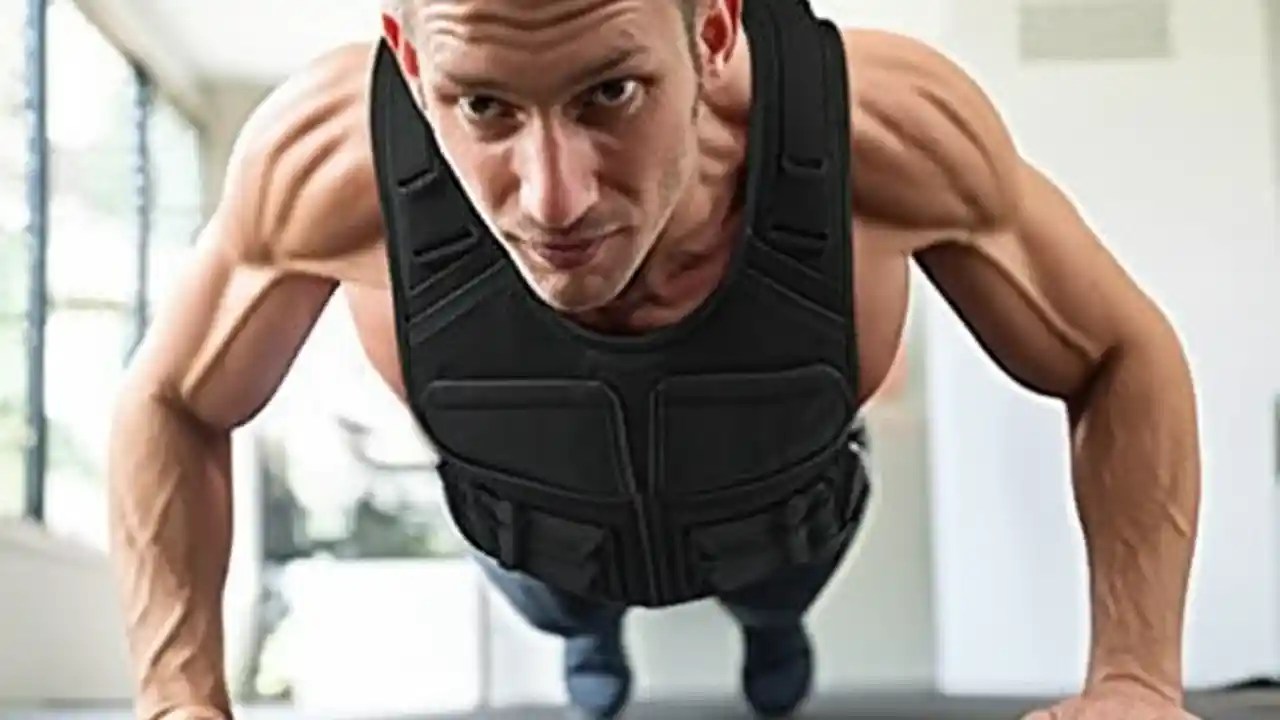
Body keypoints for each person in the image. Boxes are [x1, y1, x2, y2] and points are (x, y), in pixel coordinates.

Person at [105, 1, 1203, 719]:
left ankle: (771, 632)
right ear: (406, 53)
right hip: (533, 532)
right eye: (482, 105)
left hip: (785, 509)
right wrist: (177, 698)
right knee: (565, 608)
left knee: (776, 587)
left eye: (610, 93)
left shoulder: (884, 130)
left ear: (714, 29)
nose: (554, 198)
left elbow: (1115, 350)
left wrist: (1134, 678)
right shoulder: (324, 163)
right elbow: (171, 400)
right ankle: (592, 644)